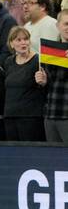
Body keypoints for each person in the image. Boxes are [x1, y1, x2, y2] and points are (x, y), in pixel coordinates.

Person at [1, 28, 45, 142]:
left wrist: (43, 82)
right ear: (11, 43)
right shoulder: (8, 62)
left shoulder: (38, 60)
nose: (23, 43)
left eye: (26, 39)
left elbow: (45, 85)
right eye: (18, 40)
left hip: (30, 118)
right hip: (10, 116)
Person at [35, 8, 68, 143]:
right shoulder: (50, 51)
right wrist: (42, 82)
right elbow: (47, 85)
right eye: (66, 24)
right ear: (57, 25)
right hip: (51, 114)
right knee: (53, 160)